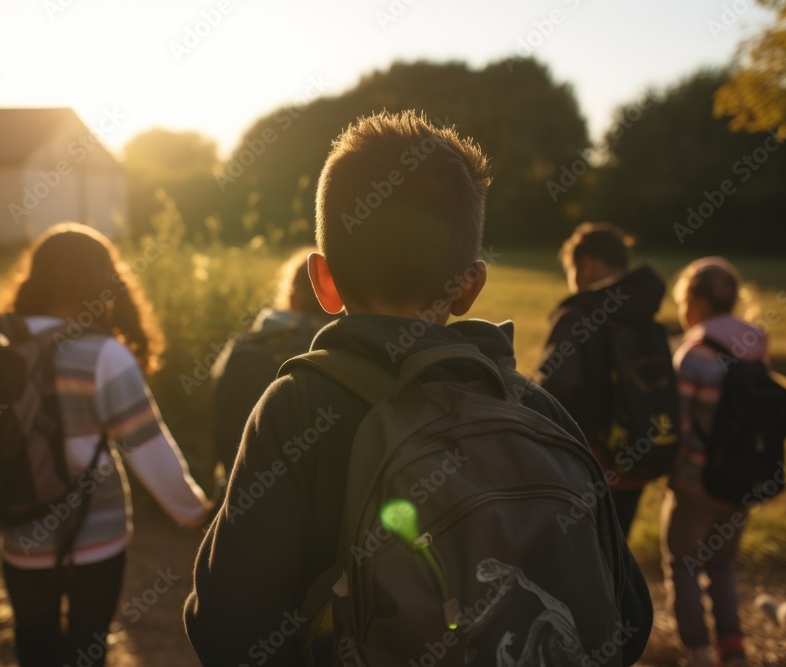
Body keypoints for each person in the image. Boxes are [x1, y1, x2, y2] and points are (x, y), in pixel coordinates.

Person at [183, 111, 652, 666]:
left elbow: (227, 625)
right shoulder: (534, 408)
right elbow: (632, 616)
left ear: (323, 281)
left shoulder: (298, 405)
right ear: (468, 287)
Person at [0, 222, 211, 667]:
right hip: (94, 536)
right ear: (100, 281)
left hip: (20, 529)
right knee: (88, 645)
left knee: (32, 643)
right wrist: (193, 511)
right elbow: (147, 446)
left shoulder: (2, 347)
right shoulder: (103, 355)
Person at [538, 222, 674, 537]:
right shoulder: (643, 312)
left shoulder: (577, 316)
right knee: (616, 548)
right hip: (639, 459)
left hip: (589, 464)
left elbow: (556, 387)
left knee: (579, 556)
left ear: (584, 264)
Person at [662, 257, 761, 667]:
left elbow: (680, 425)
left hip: (697, 481)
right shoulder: (757, 346)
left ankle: (698, 649)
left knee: (682, 561)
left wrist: (670, 472)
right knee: (721, 564)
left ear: (696, 303)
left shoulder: (695, 352)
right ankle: (733, 647)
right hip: (742, 480)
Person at [210, 247, 336, 478]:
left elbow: (220, 425)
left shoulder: (243, 347)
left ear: (291, 294)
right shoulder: (342, 348)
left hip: (244, 483)